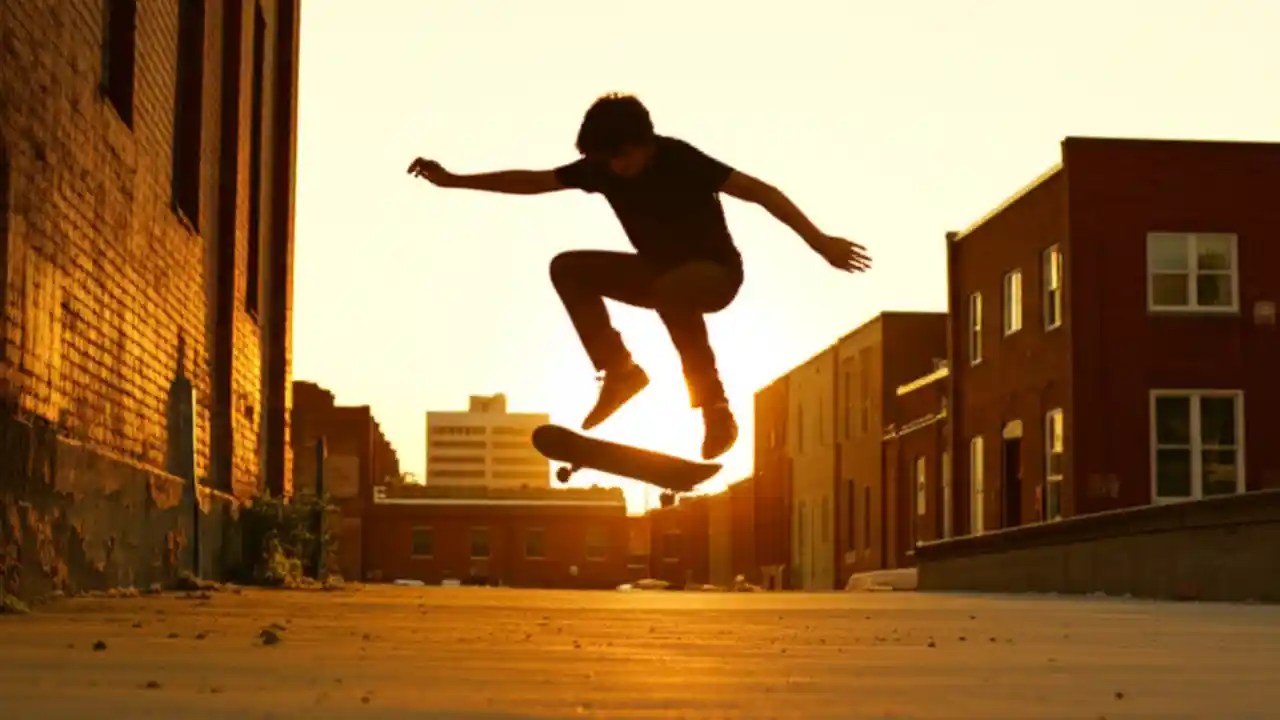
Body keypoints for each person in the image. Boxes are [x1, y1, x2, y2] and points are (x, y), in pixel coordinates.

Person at [408, 93, 870, 460]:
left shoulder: (681, 158)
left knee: (673, 291)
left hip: (716, 276)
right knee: (567, 268)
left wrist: (819, 241)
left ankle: (715, 409)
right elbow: (532, 181)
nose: (616, 169)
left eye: (623, 158)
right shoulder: (603, 167)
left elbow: (761, 192)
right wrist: (456, 180)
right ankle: (620, 372)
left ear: (646, 143)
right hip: (656, 274)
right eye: (607, 162)